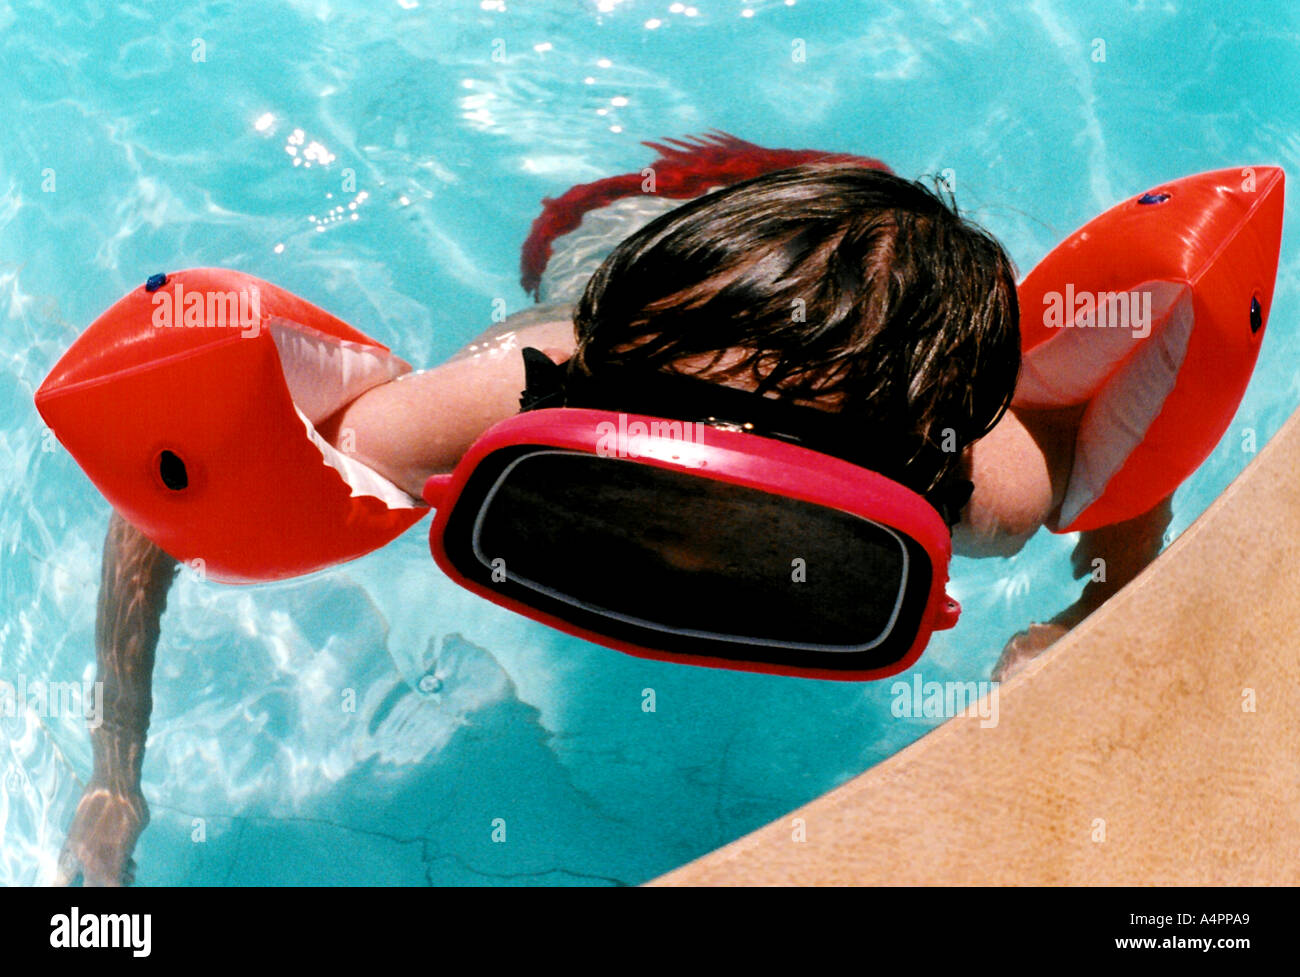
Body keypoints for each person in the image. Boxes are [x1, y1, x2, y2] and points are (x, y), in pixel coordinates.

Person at [54, 143, 1171, 885]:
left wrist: (1086, 620)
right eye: (687, 412)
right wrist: (117, 761)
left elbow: (1127, 445)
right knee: (601, 275)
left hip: (814, 296)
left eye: (766, 438)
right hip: (613, 232)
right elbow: (181, 491)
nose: (712, 464)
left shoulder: (967, 481)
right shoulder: (538, 379)